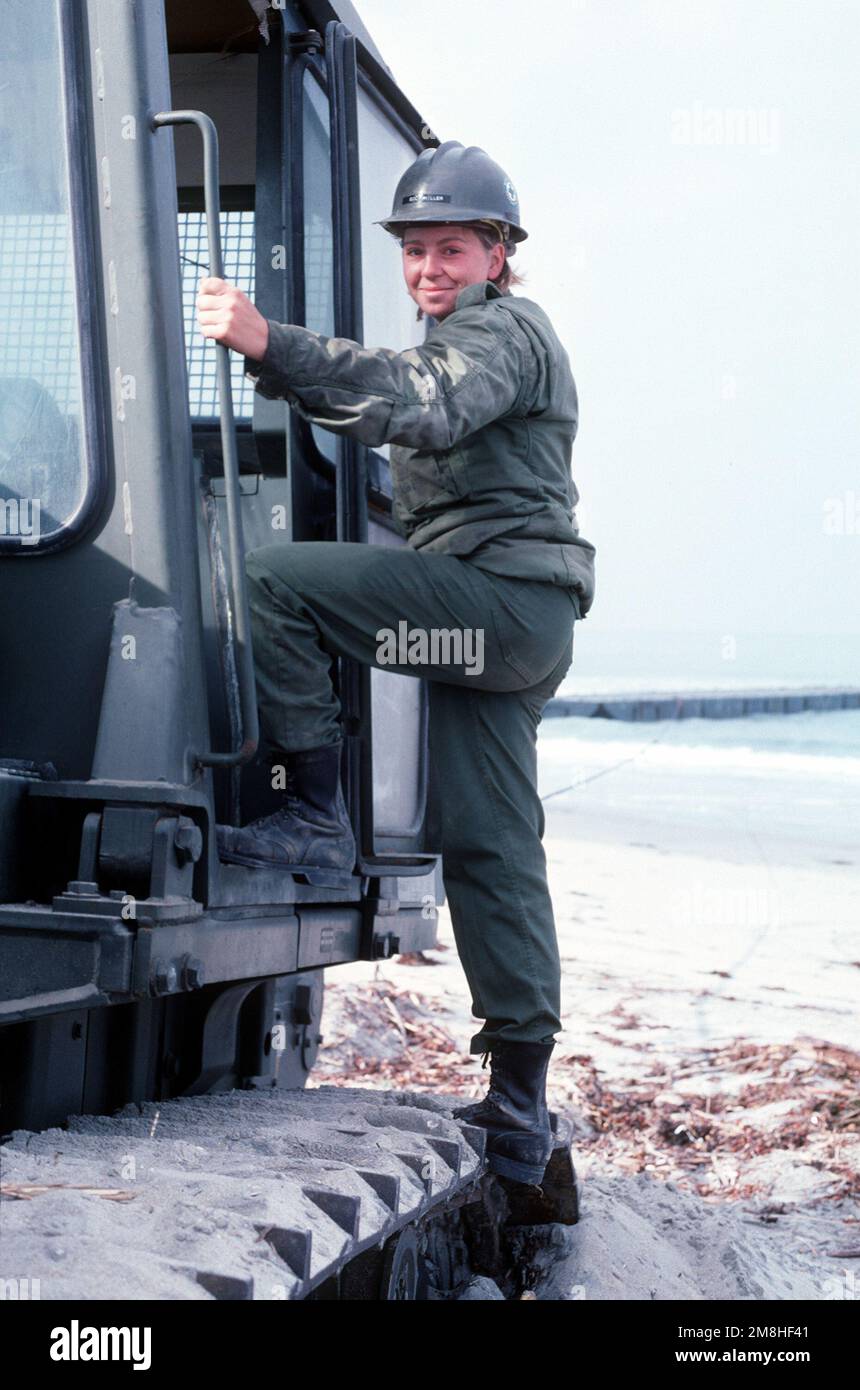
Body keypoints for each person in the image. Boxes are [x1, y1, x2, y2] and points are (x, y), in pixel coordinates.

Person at [196, 140, 596, 1186]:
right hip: (495, 638)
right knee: (490, 842)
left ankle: (313, 816)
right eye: (415, 251)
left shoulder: (500, 331)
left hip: (496, 611)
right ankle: (518, 1099)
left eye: (450, 248)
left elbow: (417, 400)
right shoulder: (462, 333)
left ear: (498, 254)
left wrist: (262, 341)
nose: (428, 268)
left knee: (279, 581)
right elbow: (384, 402)